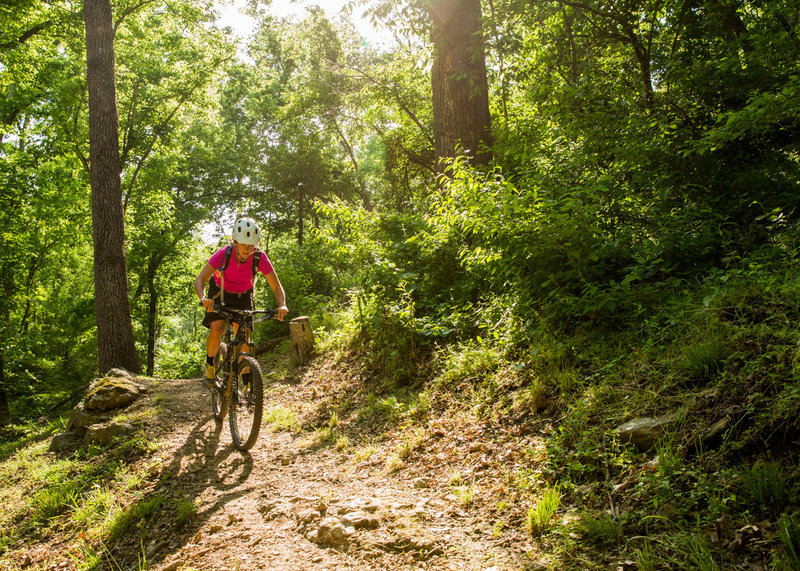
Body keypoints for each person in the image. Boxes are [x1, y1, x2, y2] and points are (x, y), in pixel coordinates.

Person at [193, 217, 289, 388]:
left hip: (243, 296)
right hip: (219, 293)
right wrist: (203, 298)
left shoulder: (259, 257)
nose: (247, 249)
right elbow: (200, 279)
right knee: (217, 328)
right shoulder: (223, 254)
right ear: (235, 242)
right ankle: (209, 365)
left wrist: (282, 304)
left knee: (244, 340)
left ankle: (247, 385)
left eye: (251, 245)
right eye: (244, 245)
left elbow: (276, 285)